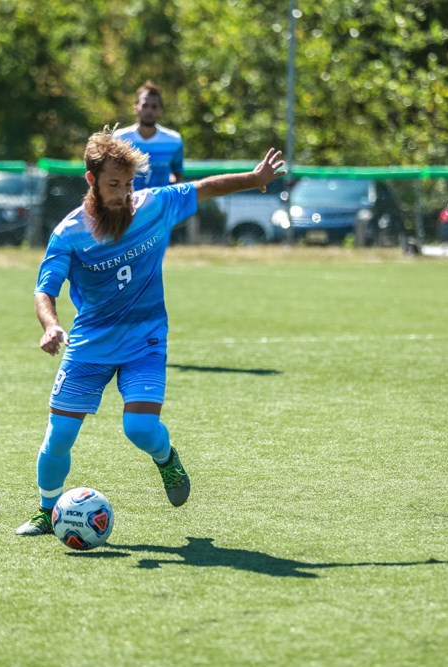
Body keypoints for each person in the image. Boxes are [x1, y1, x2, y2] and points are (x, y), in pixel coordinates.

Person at [16, 129, 285, 536]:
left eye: (128, 184)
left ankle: (167, 459)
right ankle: (46, 510)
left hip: (145, 342)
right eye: (113, 185)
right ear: (91, 180)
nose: (123, 194)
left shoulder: (153, 206)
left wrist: (254, 178)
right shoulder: (69, 233)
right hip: (90, 344)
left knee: (140, 428)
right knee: (59, 437)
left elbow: (205, 188)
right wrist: (51, 325)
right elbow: (44, 291)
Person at [113, 81, 184, 190]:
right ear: (136, 107)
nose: (149, 110)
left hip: (161, 200)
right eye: (145, 105)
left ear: (160, 110)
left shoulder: (174, 140)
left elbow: (178, 174)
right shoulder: (120, 138)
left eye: (154, 107)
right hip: (128, 200)